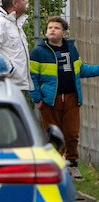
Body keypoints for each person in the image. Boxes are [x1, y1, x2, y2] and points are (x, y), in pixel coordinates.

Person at [30, 16, 99, 180]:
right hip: (49, 101)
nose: (52, 30)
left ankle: (72, 164)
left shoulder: (71, 50)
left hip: (71, 98)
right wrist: (37, 99)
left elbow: (81, 70)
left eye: (56, 28)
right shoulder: (38, 52)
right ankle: (56, 166)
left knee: (71, 132)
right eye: (50, 28)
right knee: (54, 134)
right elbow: (32, 77)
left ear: (64, 32)